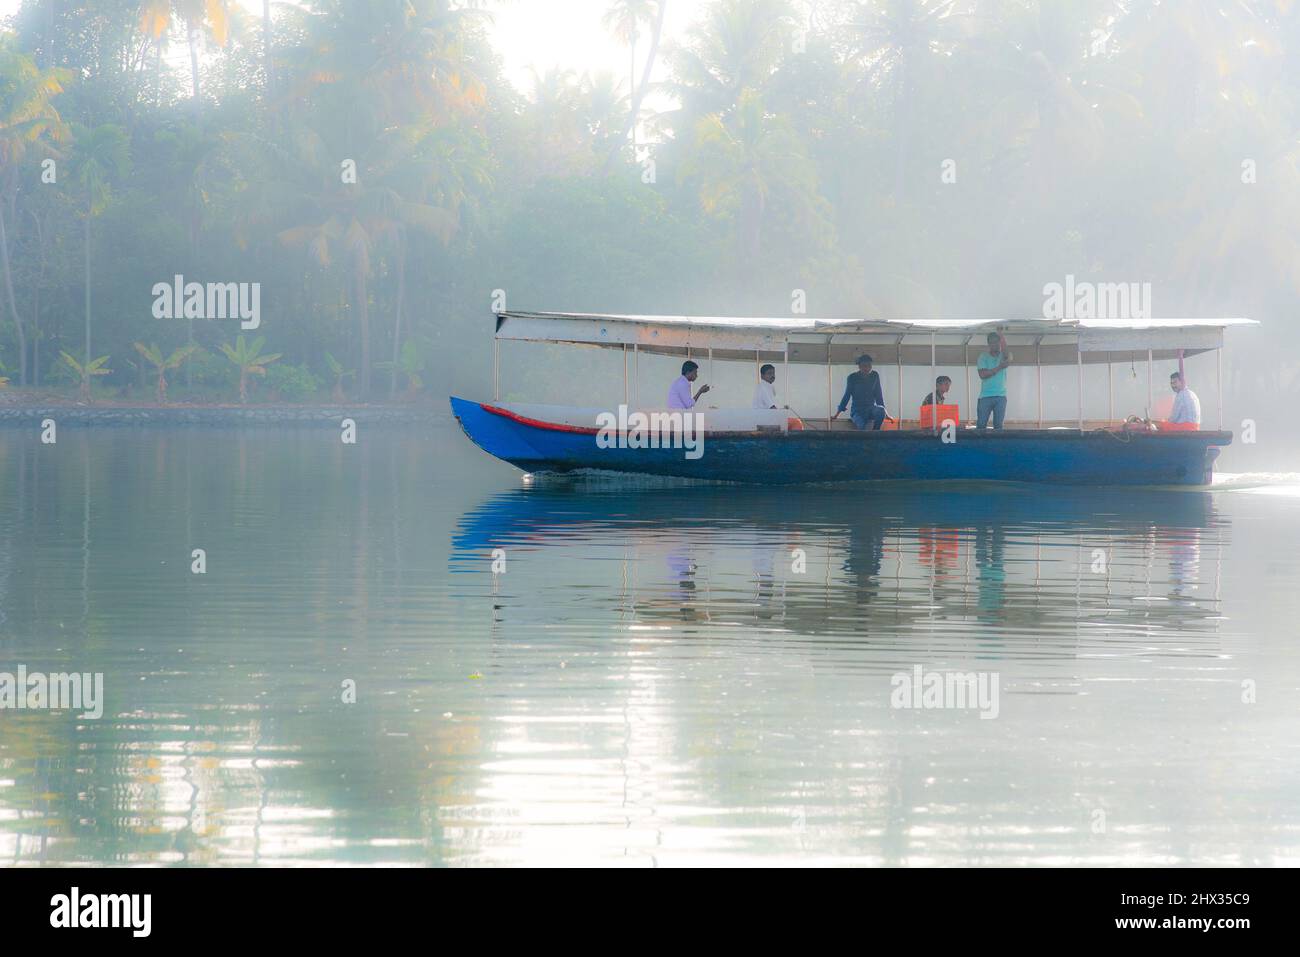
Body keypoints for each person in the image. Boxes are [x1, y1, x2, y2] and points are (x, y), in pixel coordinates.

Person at [832, 354, 887, 430]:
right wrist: (837, 414)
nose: (867, 368)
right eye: (864, 366)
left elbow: (878, 395)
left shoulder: (875, 375)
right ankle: (864, 438)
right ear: (859, 366)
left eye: (869, 366)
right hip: (857, 411)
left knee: (881, 410)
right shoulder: (852, 377)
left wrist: (885, 413)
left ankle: (876, 432)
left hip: (871, 408)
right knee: (863, 426)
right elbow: (846, 396)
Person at [976, 332, 1011, 430]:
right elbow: (982, 375)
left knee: (998, 426)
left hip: (1001, 396)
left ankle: (998, 445)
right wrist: (1000, 367)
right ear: (988, 344)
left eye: (997, 342)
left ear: (1000, 343)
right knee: (981, 425)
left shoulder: (1003, 356)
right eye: (992, 342)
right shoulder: (983, 356)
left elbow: (1007, 353)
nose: (994, 344)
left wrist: (1001, 334)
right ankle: (980, 445)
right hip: (985, 396)